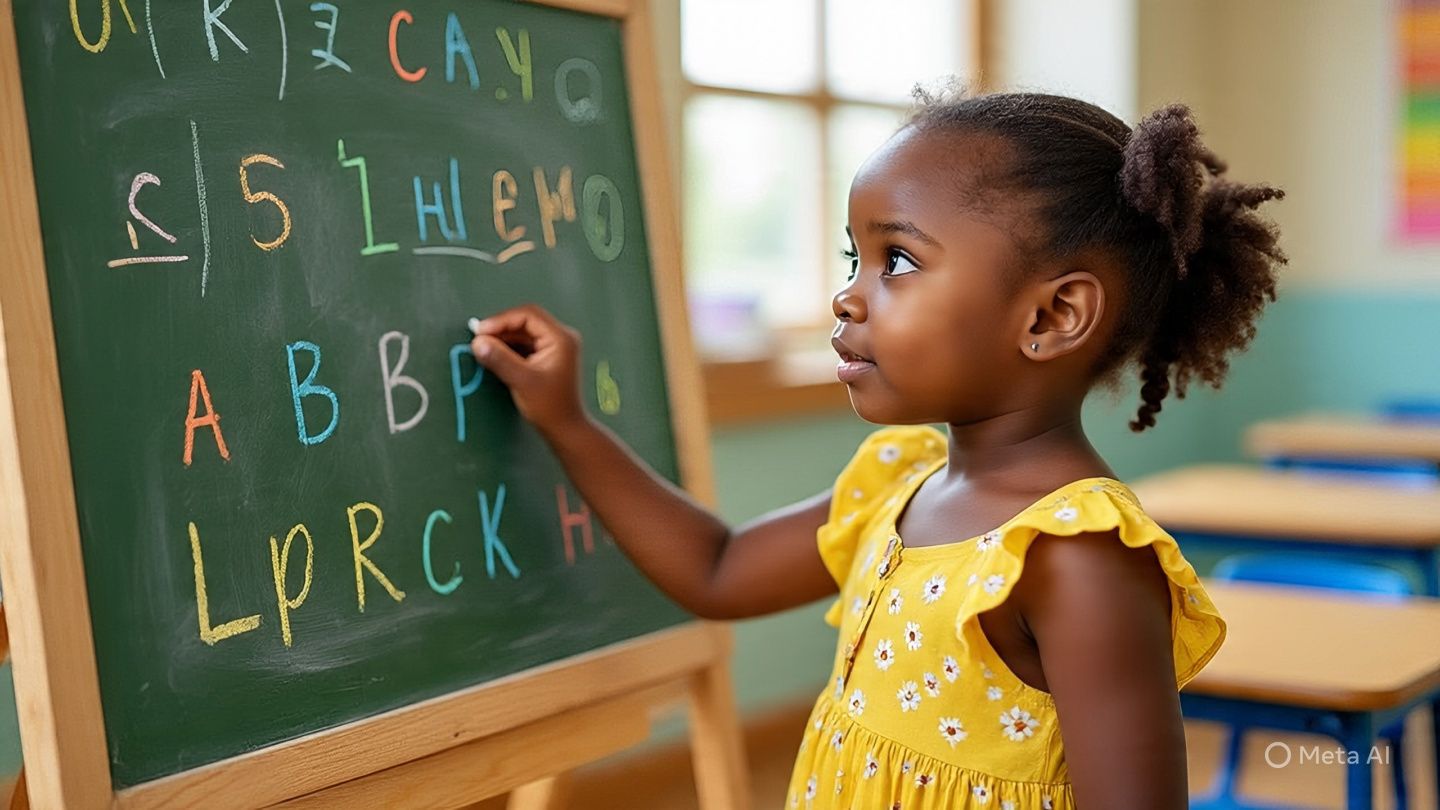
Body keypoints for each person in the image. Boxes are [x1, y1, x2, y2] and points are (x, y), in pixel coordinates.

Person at [466, 87, 1286, 809]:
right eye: (853, 258)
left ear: (1051, 316)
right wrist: (567, 422)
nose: (846, 295)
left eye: (896, 260)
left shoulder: (1076, 554)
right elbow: (716, 570)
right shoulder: (899, 489)